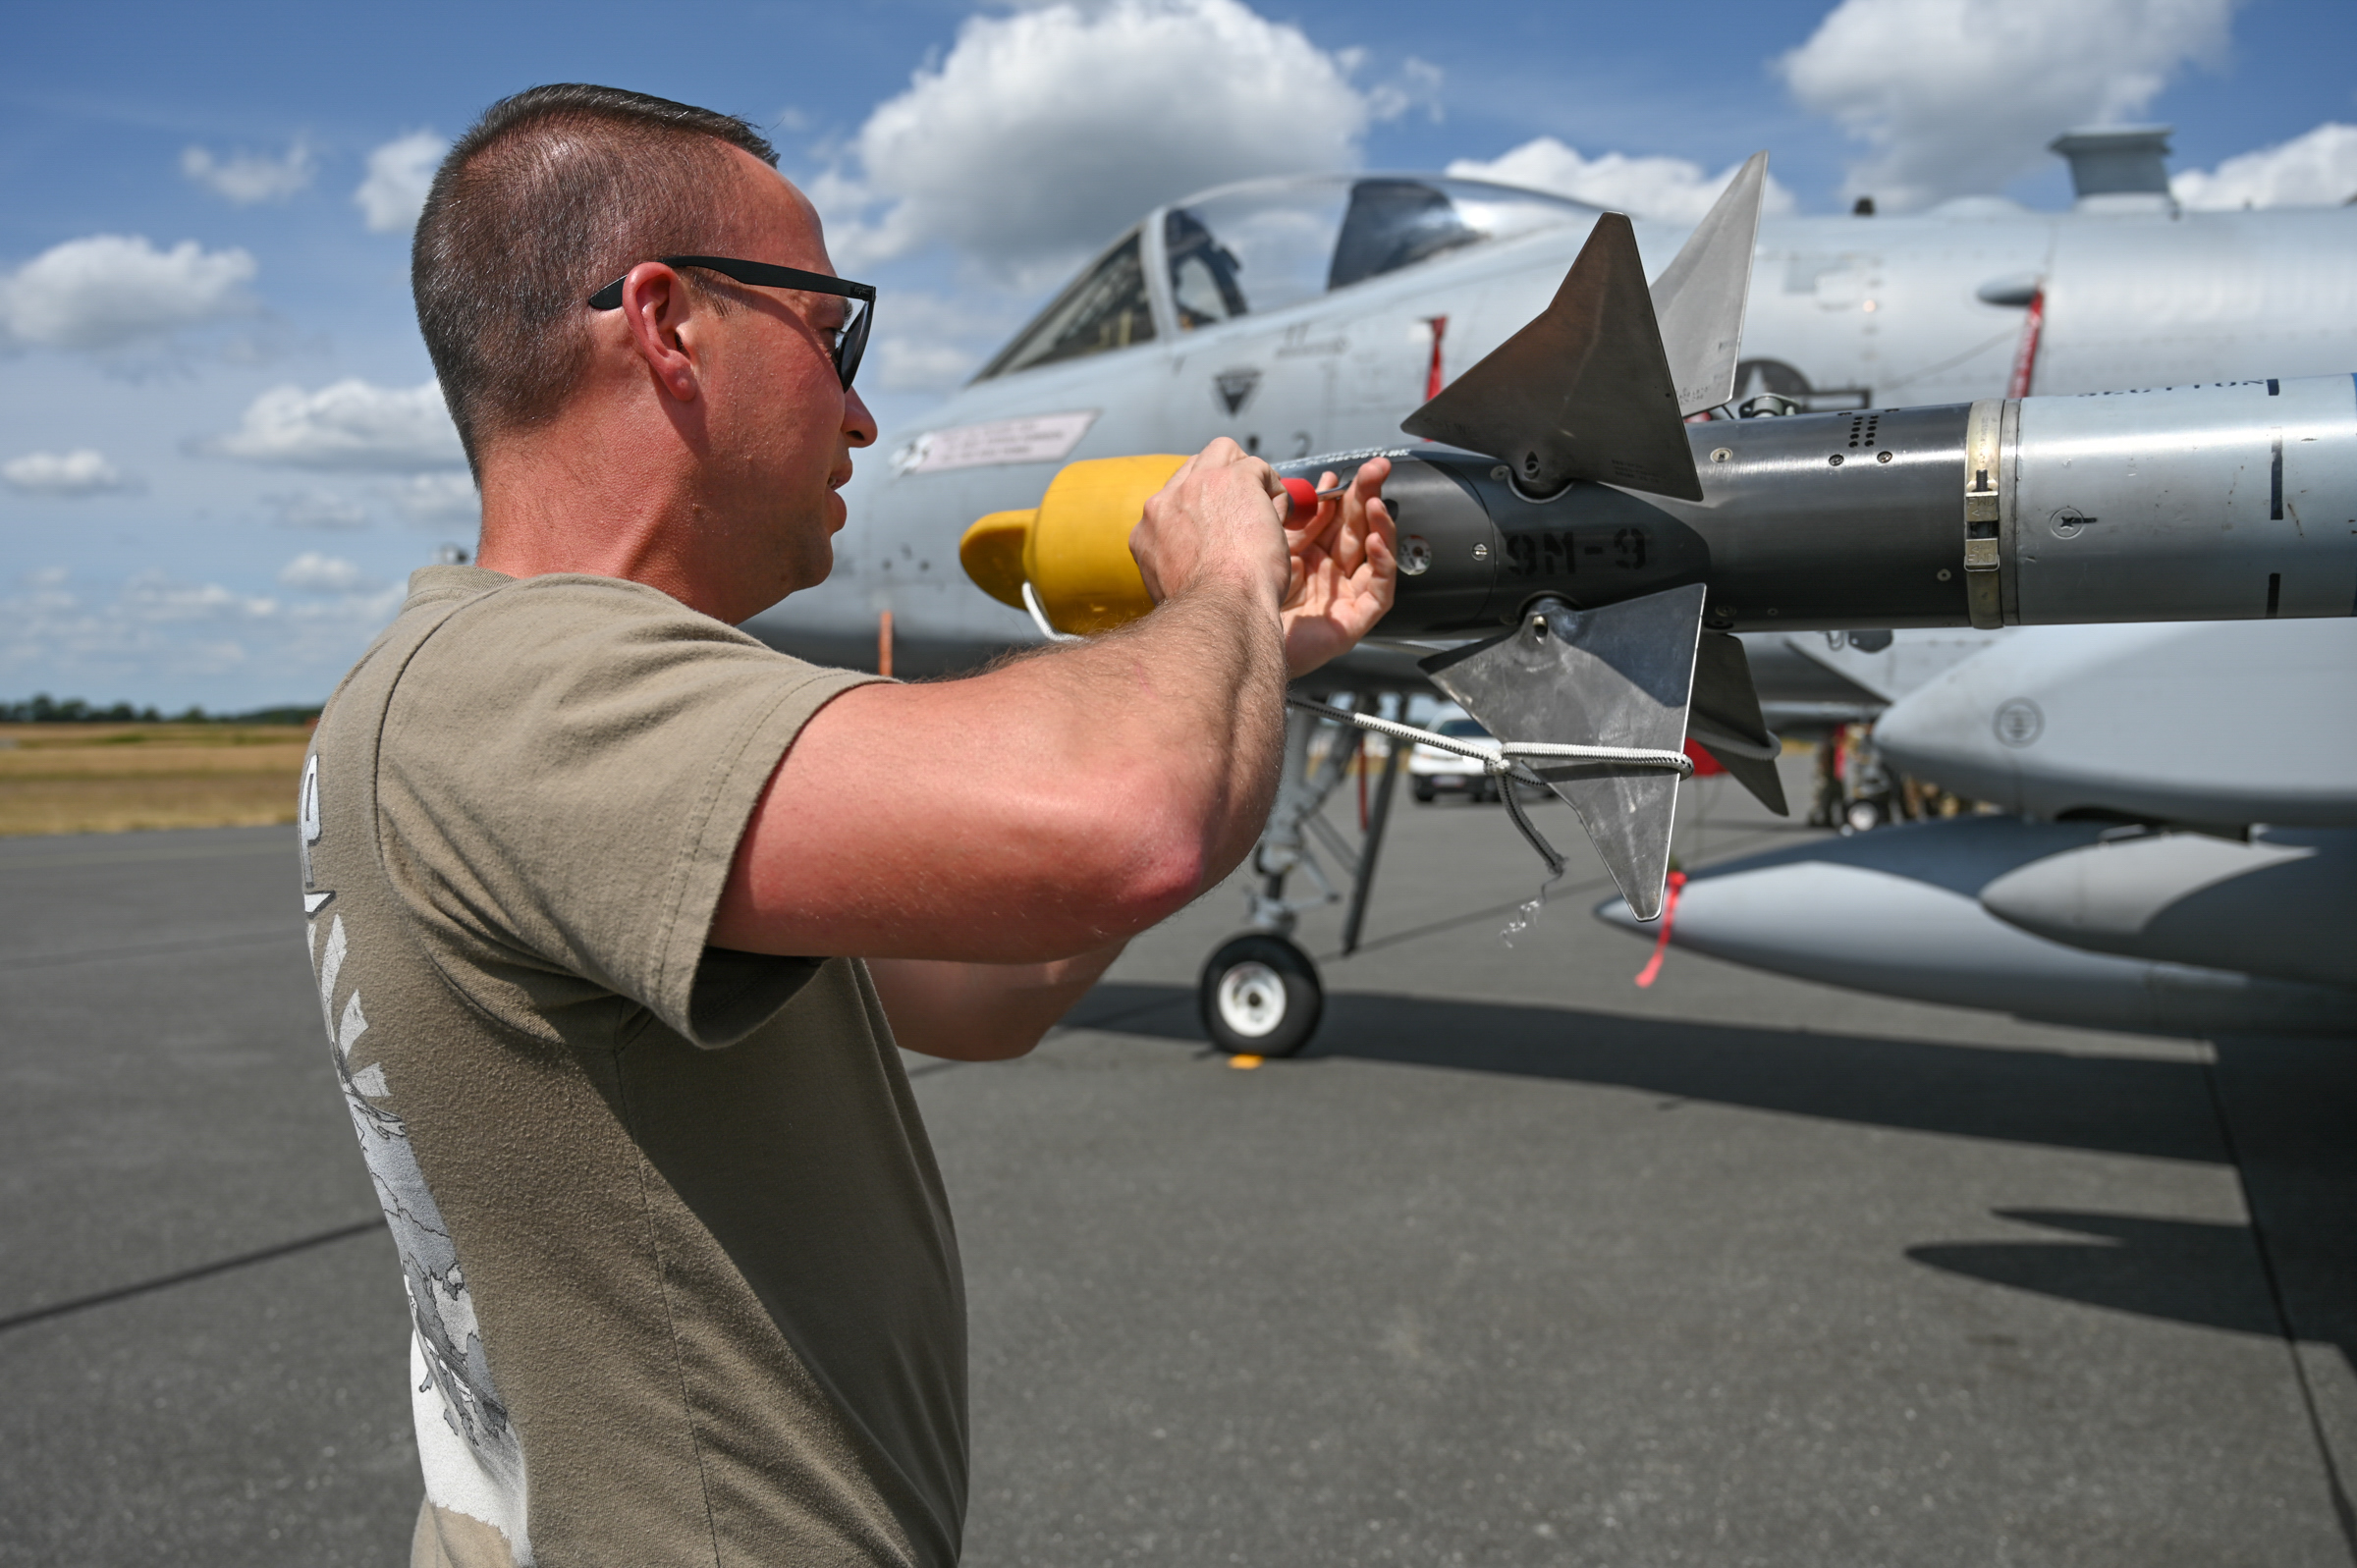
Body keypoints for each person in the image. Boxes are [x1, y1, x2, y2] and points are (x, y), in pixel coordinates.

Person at [300, 84, 1396, 1568]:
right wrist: (1215, 581)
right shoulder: (517, 690)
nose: (866, 411)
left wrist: (1265, 655)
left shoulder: (556, 699)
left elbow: (986, 987)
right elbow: (1118, 823)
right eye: (835, 332)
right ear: (669, 324)